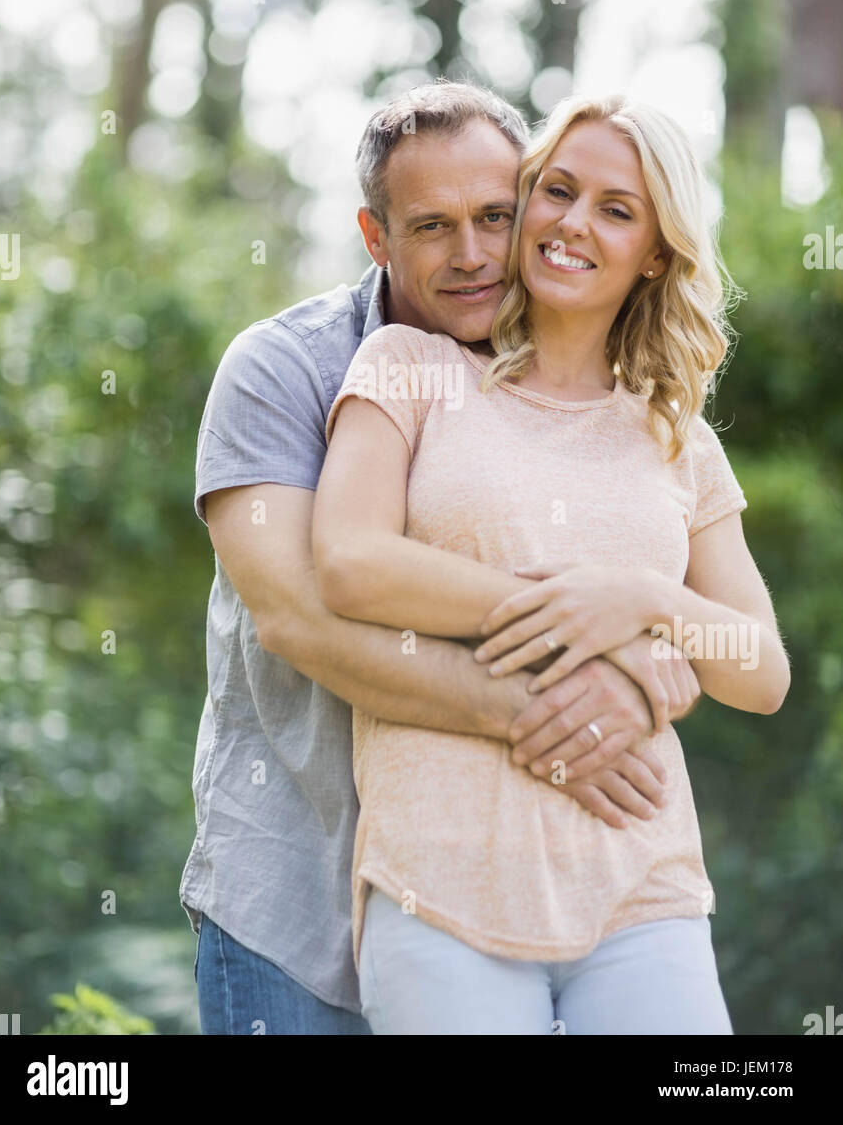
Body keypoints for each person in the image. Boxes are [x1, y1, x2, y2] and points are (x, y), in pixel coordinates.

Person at [181, 82, 698, 1035]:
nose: (470, 256)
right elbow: (301, 619)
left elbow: (669, 590)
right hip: (293, 890)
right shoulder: (281, 369)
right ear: (376, 239)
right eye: (431, 227)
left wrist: (644, 668)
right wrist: (549, 716)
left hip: (507, 895)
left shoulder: (572, 383)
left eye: (495, 217)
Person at [312, 92, 791, 1035]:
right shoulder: (410, 367)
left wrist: (643, 598)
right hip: (441, 886)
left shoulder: (677, 437)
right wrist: (581, 624)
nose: (573, 223)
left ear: (656, 250)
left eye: (616, 209)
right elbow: (350, 563)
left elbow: (761, 672)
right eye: (557, 191)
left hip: (642, 890)